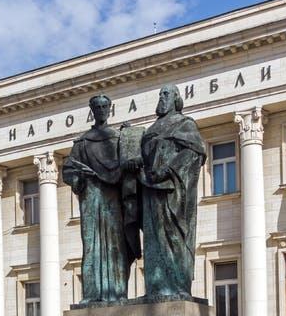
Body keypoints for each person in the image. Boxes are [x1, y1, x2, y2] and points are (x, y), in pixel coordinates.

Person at [62, 94, 141, 304]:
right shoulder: (82, 142)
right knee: (92, 246)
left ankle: (116, 293)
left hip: (114, 199)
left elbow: (130, 165)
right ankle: (92, 294)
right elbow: (68, 169)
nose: (101, 110)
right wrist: (78, 177)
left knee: (116, 246)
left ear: (110, 109)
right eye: (97, 107)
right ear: (92, 110)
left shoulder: (118, 138)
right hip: (91, 199)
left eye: (105, 106)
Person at [139, 84, 207, 300]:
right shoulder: (151, 129)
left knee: (173, 234)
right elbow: (142, 156)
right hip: (150, 189)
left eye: (166, 94)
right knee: (153, 238)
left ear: (176, 98)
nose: (162, 98)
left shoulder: (185, 124)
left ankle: (177, 285)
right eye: (160, 94)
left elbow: (194, 154)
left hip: (173, 191)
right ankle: (155, 288)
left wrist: (168, 169)